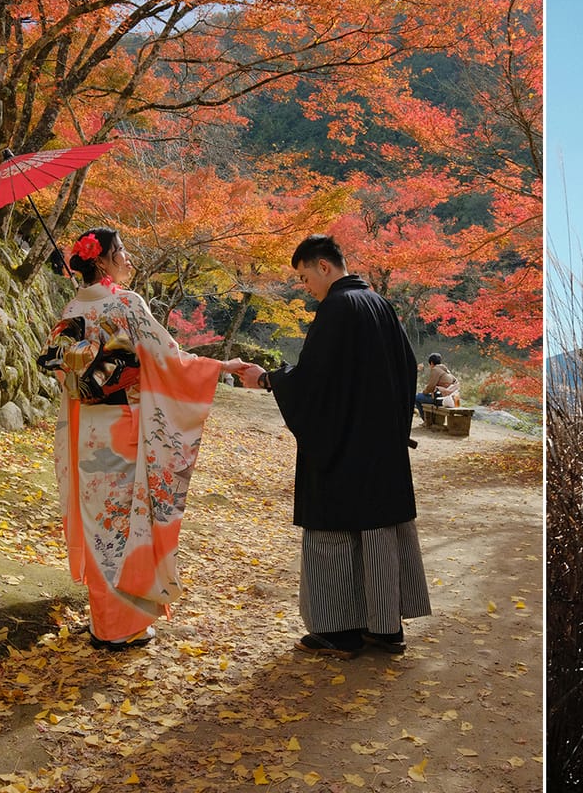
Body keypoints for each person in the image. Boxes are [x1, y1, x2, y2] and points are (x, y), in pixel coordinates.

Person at [38, 228, 248, 650]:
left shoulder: (73, 307)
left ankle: (104, 622)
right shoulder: (127, 304)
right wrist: (220, 367)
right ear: (102, 260)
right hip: (124, 426)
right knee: (124, 523)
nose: (128, 257)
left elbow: (64, 371)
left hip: (88, 426)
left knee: (99, 522)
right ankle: (122, 627)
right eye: (121, 251)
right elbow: (169, 359)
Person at [239, 234, 431, 658]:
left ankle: (339, 632)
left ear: (323, 266)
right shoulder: (379, 304)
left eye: (305, 277)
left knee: (335, 532)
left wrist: (268, 379)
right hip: (381, 446)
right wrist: (393, 428)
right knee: (378, 530)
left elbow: (316, 381)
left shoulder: (337, 308)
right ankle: (386, 627)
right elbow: (406, 371)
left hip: (343, 444)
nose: (305, 287)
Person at [415, 352, 460, 420]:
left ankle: (426, 420)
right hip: (450, 398)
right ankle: (433, 419)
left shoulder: (435, 369)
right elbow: (455, 381)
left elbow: (430, 387)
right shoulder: (445, 370)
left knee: (417, 397)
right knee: (424, 396)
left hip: (441, 399)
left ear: (431, 363)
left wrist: (424, 392)